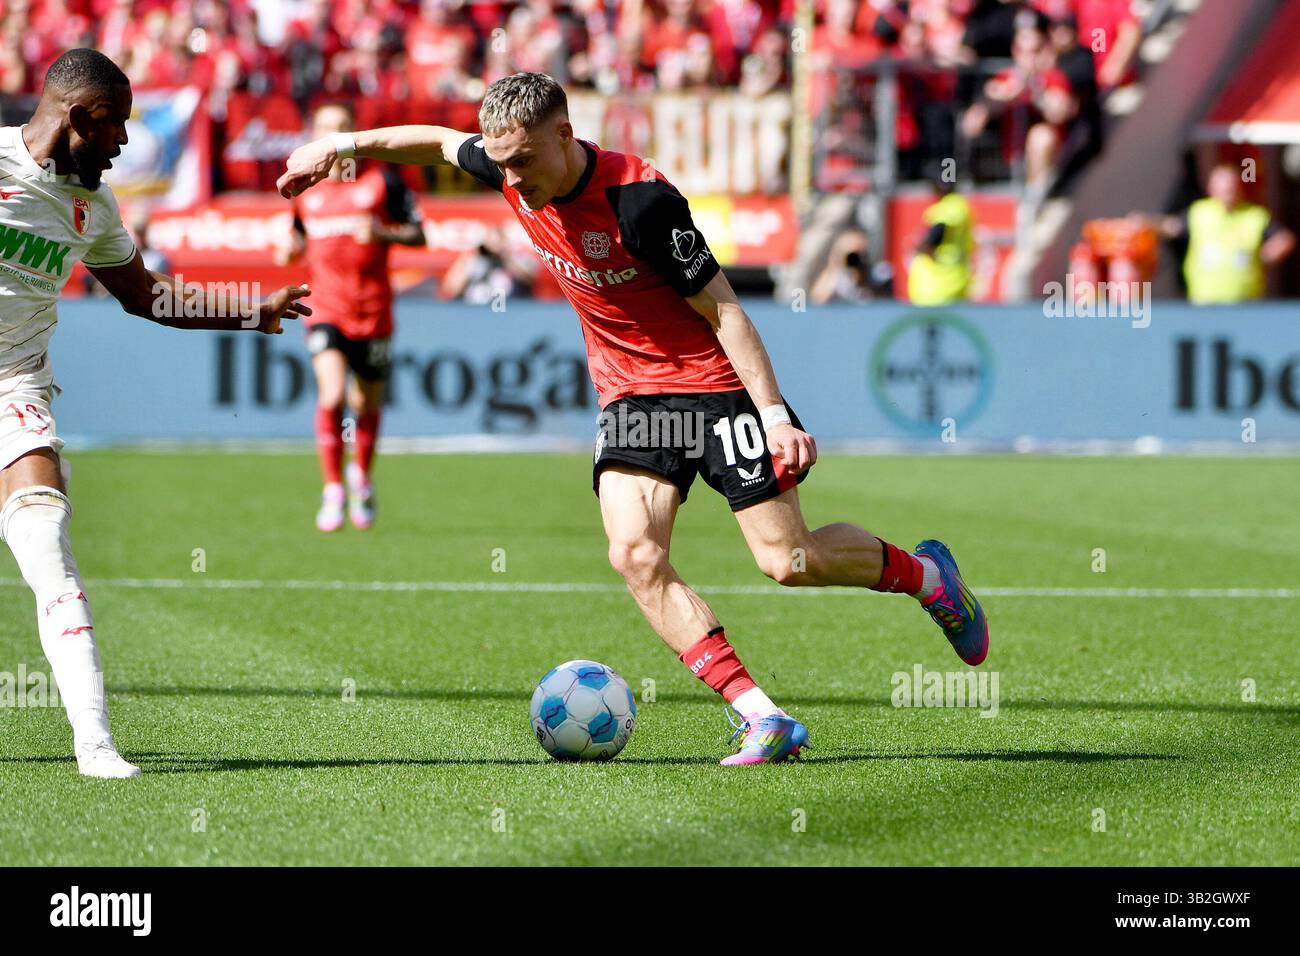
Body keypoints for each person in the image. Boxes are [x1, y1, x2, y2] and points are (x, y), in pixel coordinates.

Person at [278, 72, 989, 766]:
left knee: (788, 561)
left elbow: (726, 310)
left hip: (715, 388)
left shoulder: (642, 203)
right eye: (501, 164)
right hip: (632, 399)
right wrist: (339, 147)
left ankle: (927, 578)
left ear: (565, 134)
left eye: (524, 161)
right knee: (635, 554)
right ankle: (762, 716)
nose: (513, 180)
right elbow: (435, 144)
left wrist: (773, 415)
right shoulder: (508, 166)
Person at [1, 49, 310, 777]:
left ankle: (94, 743)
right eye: (114, 127)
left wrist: (247, 311)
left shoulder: (92, 209)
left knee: (46, 540)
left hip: (13, 384)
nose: (124, 145)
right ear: (77, 118)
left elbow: (146, 297)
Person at [277, 102, 426, 532]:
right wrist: (290, 249)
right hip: (325, 307)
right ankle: (331, 487)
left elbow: (419, 233)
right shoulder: (307, 188)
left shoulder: (384, 181)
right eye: (326, 128)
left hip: (374, 310)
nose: (334, 135)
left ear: (352, 134)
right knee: (331, 395)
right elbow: (297, 240)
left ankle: (361, 475)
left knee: (367, 402)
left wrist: (381, 232)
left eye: (341, 127)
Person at [1154, 164, 1296, 304]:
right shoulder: (1199, 212)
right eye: (1223, 187)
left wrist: (1268, 255)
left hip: (1246, 304)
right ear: (1211, 188)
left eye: (1231, 186)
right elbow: (1171, 226)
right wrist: (1146, 223)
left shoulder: (1254, 216)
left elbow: (1284, 238)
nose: (1228, 191)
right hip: (1204, 303)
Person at [907, 170, 974, 306]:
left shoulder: (946, 209)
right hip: (956, 280)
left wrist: (919, 247)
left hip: (936, 285)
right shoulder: (962, 206)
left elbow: (933, 239)